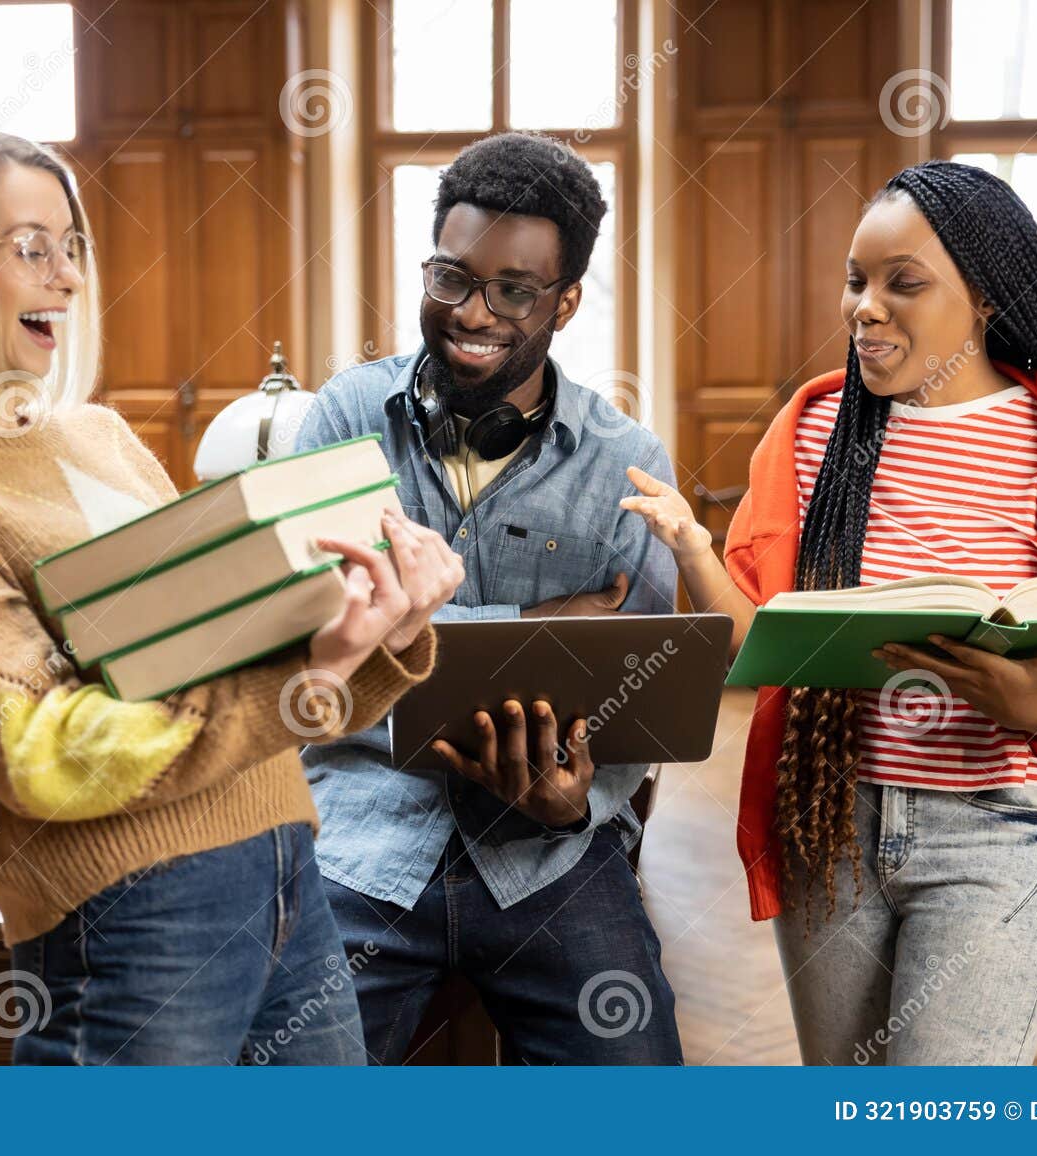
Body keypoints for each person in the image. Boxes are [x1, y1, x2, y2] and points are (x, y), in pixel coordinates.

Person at [0, 132, 462, 1065]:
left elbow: (227, 661)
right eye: (30, 247)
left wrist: (379, 631)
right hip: (131, 916)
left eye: (71, 246)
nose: (69, 277)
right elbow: (43, 751)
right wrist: (310, 675)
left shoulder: (100, 437)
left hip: (285, 861)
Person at [623, 160, 1037, 1065]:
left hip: (997, 831)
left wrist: (1033, 707)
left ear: (988, 298)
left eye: (903, 283)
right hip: (830, 825)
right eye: (856, 281)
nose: (865, 308)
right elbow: (760, 647)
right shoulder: (814, 432)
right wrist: (691, 547)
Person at [295, 131, 683, 1064]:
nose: (472, 312)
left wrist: (575, 804)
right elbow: (316, 642)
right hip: (360, 830)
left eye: (513, 290)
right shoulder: (345, 419)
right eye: (451, 278)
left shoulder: (629, 462)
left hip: (550, 850)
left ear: (565, 301)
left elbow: (648, 690)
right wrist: (542, 623)